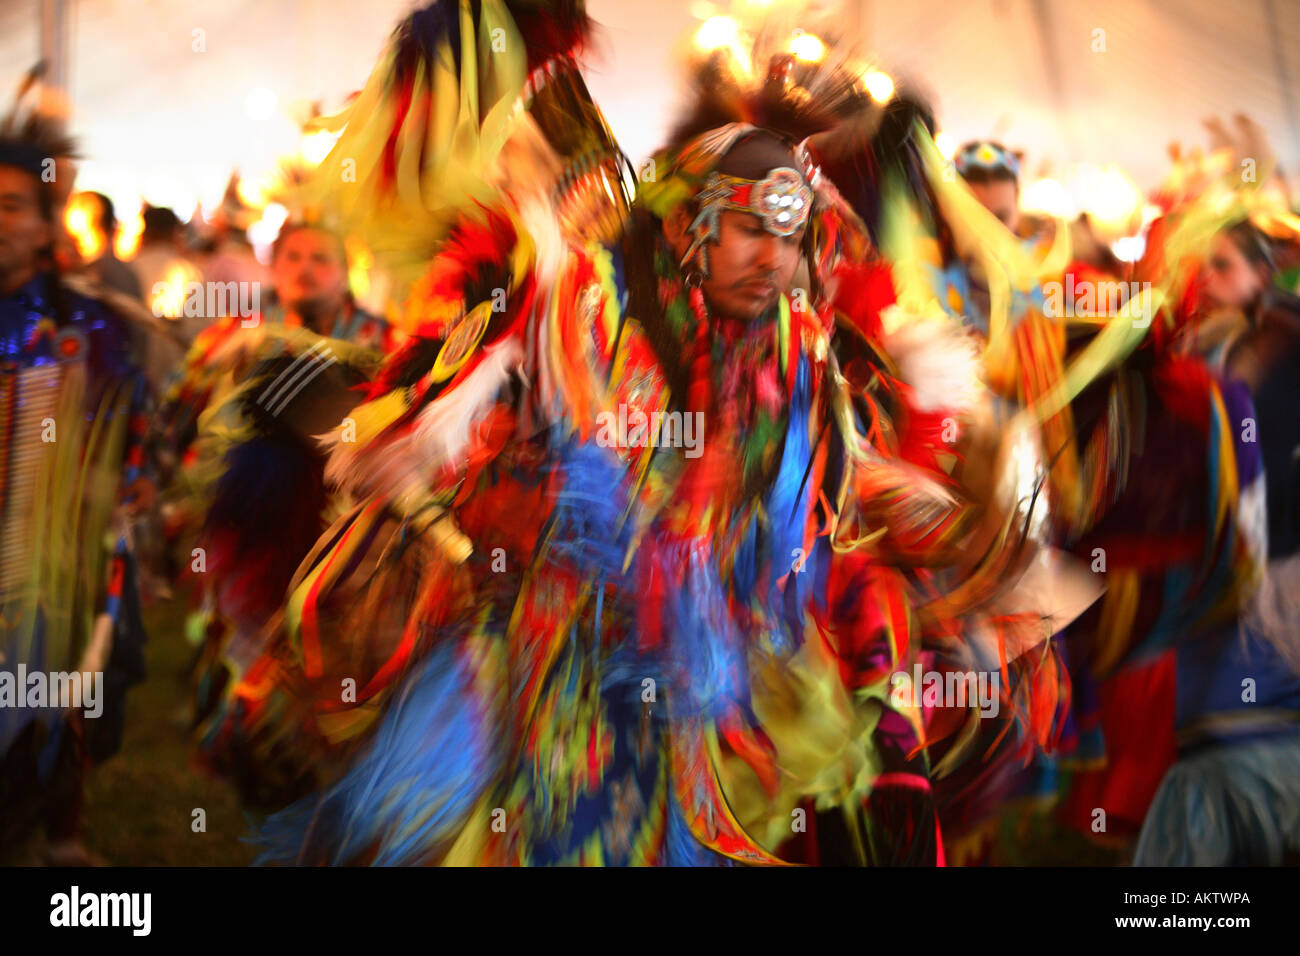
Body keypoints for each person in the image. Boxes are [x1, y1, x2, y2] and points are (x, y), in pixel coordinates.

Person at [202, 0, 1081, 866]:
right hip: (557, 651)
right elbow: (466, 404)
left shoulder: (795, 352)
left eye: (789, 240)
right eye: (747, 232)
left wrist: (970, 536)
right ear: (695, 223)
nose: (771, 260)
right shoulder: (591, 305)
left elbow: (838, 488)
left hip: (695, 686)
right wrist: (406, 440)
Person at [0, 98, 149, 866]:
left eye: (12, 204)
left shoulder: (90, 326)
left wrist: (125, 491)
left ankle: (63, 835)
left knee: (65, 692)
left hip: (50, 556)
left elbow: (132, 425)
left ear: (46, 221)